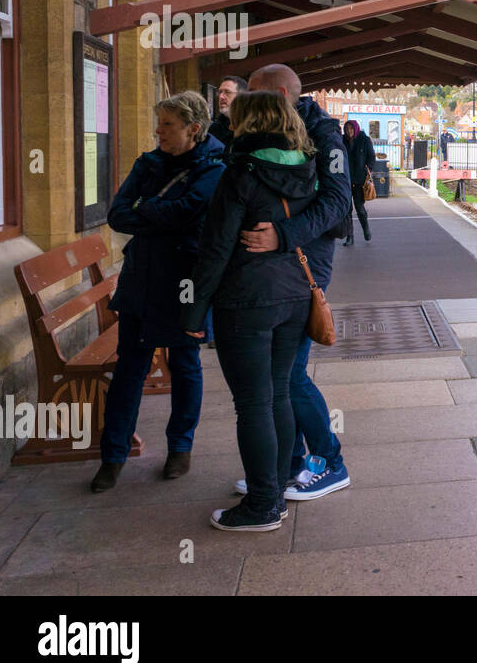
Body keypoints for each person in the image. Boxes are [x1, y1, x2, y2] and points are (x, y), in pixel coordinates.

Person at [183, 91, 319, 530]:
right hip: (295, 295)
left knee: (253, 404)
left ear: (250, 122)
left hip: (245, 299)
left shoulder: (239, 173)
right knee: (277, 393)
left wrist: (193, 311)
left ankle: (262, 505)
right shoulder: (306, 166)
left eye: (235, 117)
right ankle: (274, 487)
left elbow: (216, 247)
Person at [92, 91, 225, 492]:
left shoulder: (214, 168)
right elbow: (117, 214)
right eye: (159, 123)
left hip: (184, 282)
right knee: (129, 369)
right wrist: (161, 213)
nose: (158, 131)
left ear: (194, 129)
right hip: (141, 278)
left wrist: (145, 209)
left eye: (168, 125)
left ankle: (180, 449)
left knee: (184, 364)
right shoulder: (148, 163)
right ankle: (112, 457)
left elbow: (190, 213)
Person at [237, 63, 352, 501]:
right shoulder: (265, 129)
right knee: (276, 375)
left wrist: (283, 235)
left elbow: (338, 201)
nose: (246, 101)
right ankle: (287, 465)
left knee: (291, 376)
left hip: (305, 264)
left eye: (254, 93)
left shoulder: (324, 134)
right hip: (276, 265)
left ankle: (330, 462)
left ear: (281, 92)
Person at [342, 119, 376, 246]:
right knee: (347, 210)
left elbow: (372, 158)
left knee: (360, 208)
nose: (348, 131)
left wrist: (367, 171)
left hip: (359, 180)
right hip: (345, 180)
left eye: (351, 128)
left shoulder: (364, 140)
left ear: (355, 129)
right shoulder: (341, 141)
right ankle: (350, 237)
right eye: (346, 129)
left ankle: (366, 229)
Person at [208, 75, 247, 150]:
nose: (221, 97)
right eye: (220, 92)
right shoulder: (215, 128)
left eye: (227, 92)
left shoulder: (252, 127)